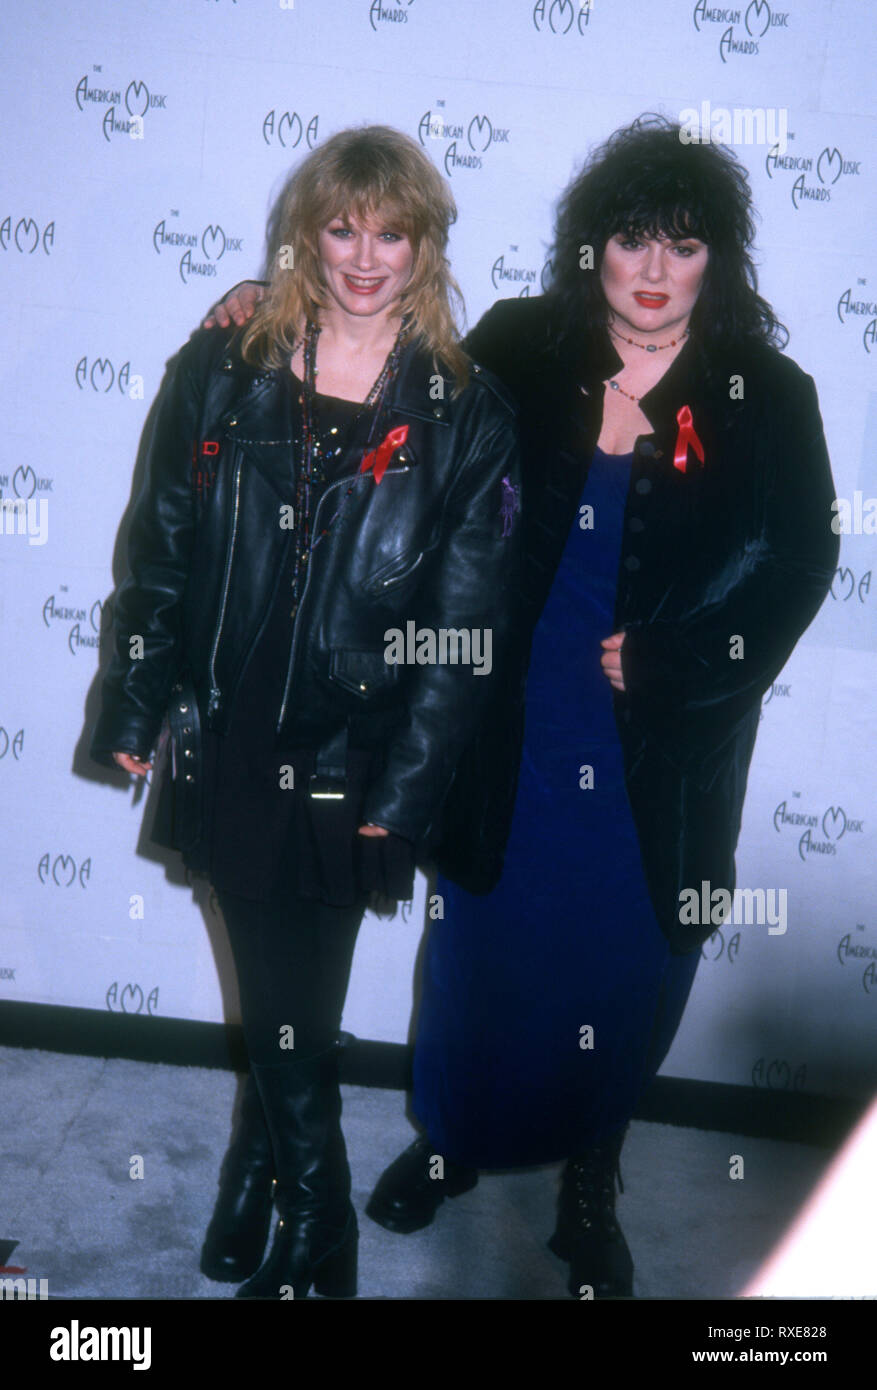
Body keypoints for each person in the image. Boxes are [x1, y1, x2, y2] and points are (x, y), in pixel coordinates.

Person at [203, 115, 839, 1298]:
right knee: (480, 955)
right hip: (510, 722)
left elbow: (800, 564)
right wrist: (271, 293)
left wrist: (679, 661)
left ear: (718, 260)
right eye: (628, 242)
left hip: (657, 738)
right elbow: (387, 359)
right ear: (588, 247)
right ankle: (449, 1142)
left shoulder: (769, 391)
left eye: (682, 247)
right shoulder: (520, 344)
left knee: (621, 966)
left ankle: (589, 1181)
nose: (652, 273)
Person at [89, 124, 522, 1300]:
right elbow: (162, 549)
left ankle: (299, 1205)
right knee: (269, 986)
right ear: (308, 231)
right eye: (343, 226)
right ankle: (278, 1185)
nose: (365, 255)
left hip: (353, 750)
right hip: (224, 724)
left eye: (392, 231)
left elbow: (460, 634)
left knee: (298, 1000)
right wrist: (134, 693)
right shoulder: (226, 365)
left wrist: (407, 791)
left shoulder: (464, 412)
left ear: (425, 244)